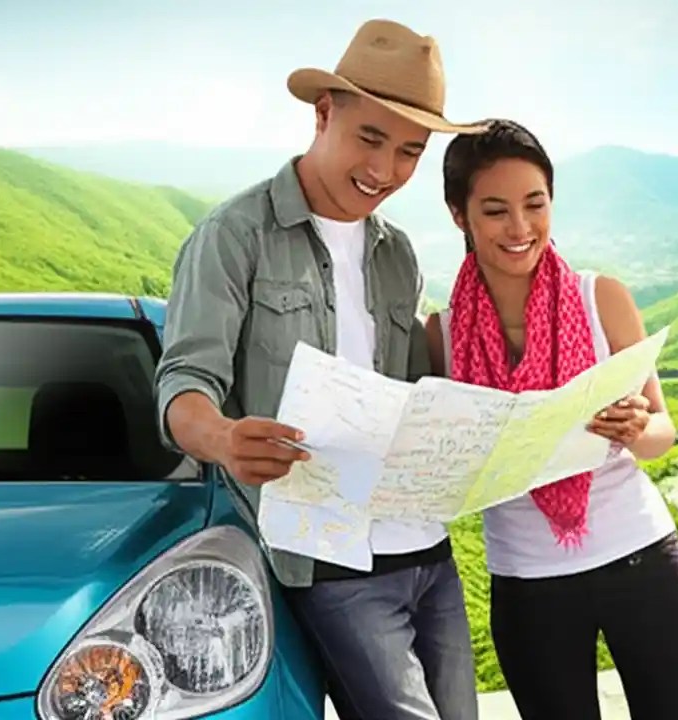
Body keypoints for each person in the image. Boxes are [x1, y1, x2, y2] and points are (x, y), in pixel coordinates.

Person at [154, 19, 487, 720]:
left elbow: (412, 394)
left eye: (410, 152)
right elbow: (183, 383)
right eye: (371, 138)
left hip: (427, 550)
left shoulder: (398, 254)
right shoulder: (233, 236)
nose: (385, 170)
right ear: (324, 112)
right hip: (327, 561)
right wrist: (223, 438)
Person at [424, 119, 678, 720]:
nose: (520, 228)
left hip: (641, 561)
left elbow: (662, 433)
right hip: (528, 582)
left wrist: (638, 427)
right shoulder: (440, 337)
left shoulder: (602, 299)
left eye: (535, 204)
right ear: (458, 215)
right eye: (495, 211)